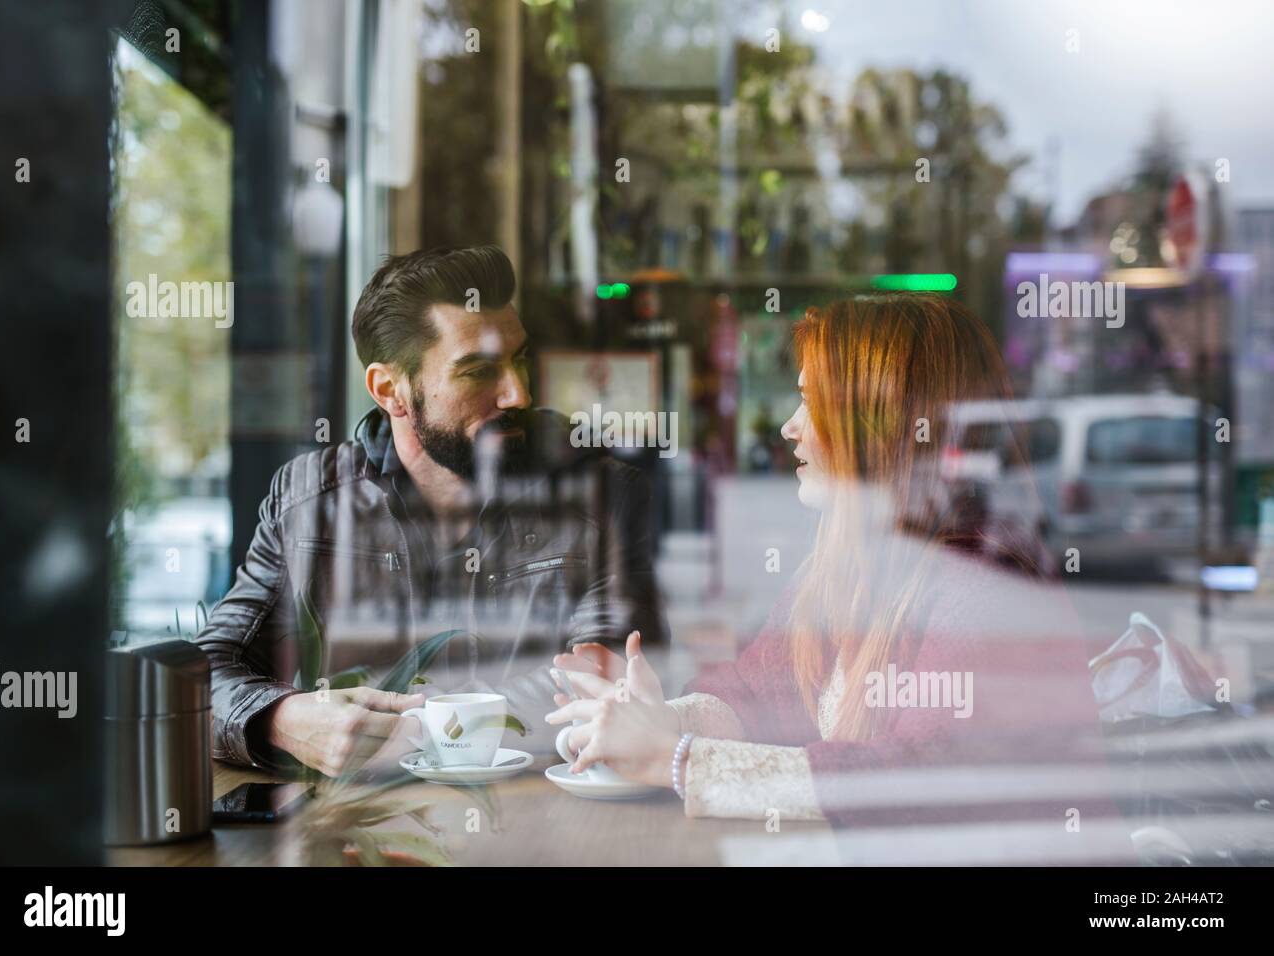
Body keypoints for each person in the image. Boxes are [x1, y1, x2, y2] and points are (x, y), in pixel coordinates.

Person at [547, 294, 1117, 836]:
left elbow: (910, 783)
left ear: (883, 424)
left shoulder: (986, 591)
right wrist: (662, 721)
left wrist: (679, 760)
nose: (788, 427)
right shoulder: (849, 568)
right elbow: (756, 693)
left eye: (813, 403)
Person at [195, 245, 665, 777]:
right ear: (390, 389)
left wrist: (412, 732)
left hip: (533, 823)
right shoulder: (308, 499)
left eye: (520, 358)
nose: (518, 392)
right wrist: (280, 718)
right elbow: (205, 672)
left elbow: (607, 682)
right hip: (354, 834)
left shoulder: (600, 492)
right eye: (478, 371)